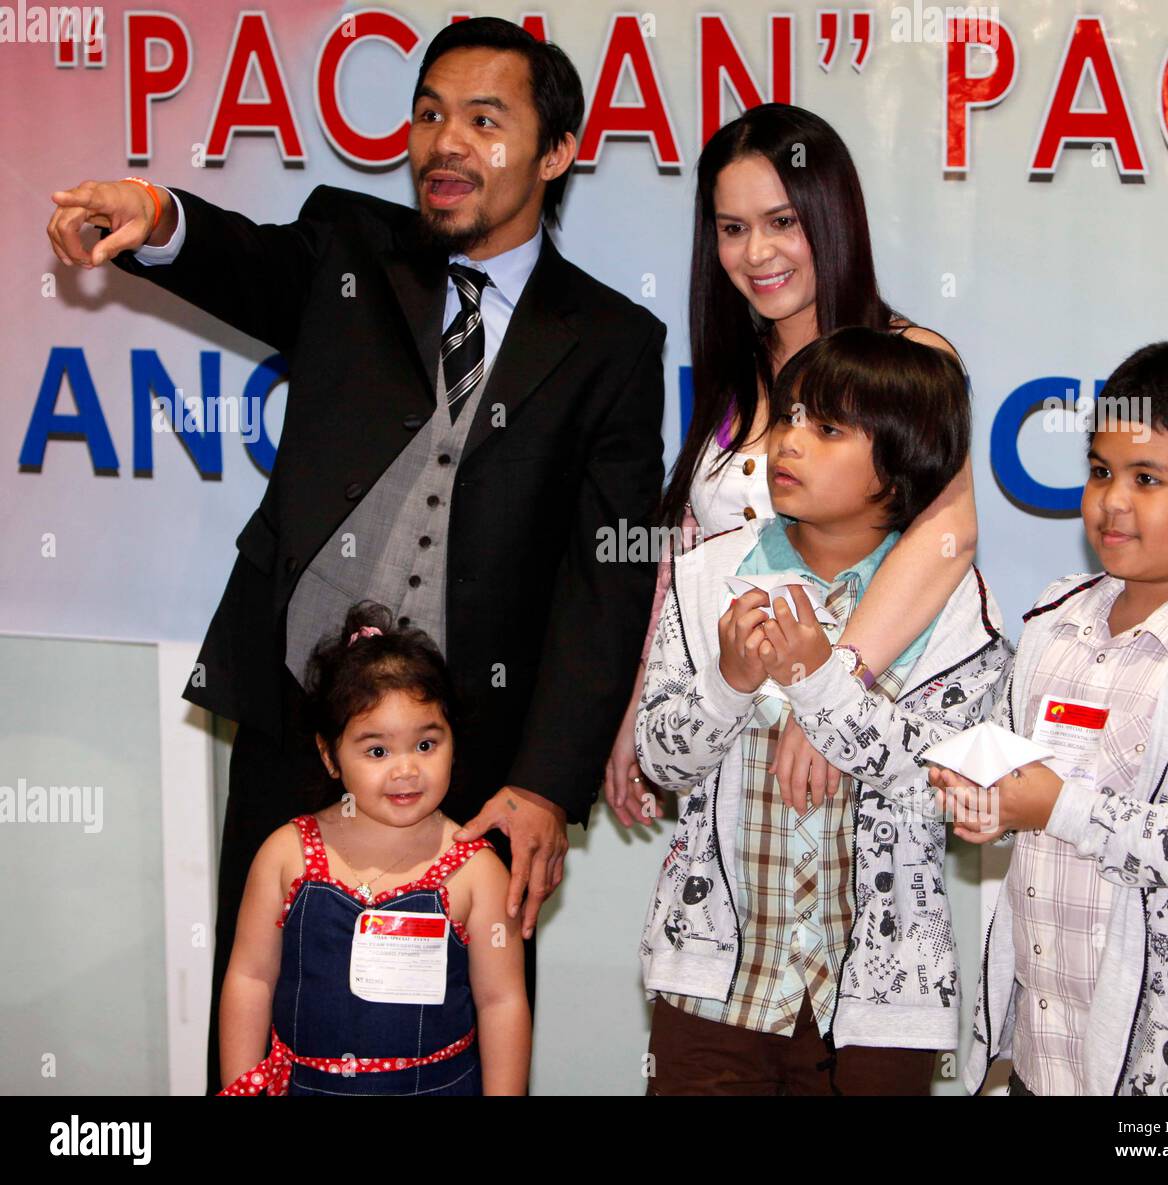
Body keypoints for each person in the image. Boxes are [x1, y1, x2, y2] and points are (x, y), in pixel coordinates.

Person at [46, 17, 665, 1091]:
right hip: (300, 726)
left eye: (484, 119)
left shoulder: (611, 341)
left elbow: (607, 578)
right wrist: (158, 216)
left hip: (475, 762)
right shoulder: (350, 251)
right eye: (428, 115)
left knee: (449, 1040)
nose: (444, 144)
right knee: (263, 1015)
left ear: (557, 150)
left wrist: (544, 786)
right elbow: (240, 258)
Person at [635, 328, 1010, 1095]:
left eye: (827, 428)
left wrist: (822, 682)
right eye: (792, 415)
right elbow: (661, 759)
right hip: (715, 986)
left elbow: (946, 781)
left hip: (880, 999)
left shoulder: (956, 606)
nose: (790, 442)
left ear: (902, 464)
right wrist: (727, 684)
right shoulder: (712, 573)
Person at [934, 342, 1168, 1096]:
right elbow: (1012, 767)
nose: (1112, 501)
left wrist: (1056, 805)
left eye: (1147, 479)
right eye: (1100, 472)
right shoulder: (1056, 618)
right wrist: (987, 799)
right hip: (1044, 1052)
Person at [605, 103, 977, 830]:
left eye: (783, 222)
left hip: (859, 752)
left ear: (831, 215)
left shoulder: (913, 360)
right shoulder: (733, 375)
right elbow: (685, 559)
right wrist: (637, 711)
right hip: (732, 758)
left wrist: (830, 689)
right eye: (733, 229)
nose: (757, 254)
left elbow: (948, 537)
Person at [218, 603, 528, 1096]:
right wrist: (241, 1088)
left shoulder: (477, 870)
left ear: (453, 739)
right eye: (377, 751)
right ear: (330, 755)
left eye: (426, 745)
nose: (405, 770)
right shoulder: (286, 854)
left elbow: (502, 1002)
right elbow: (250, 979)